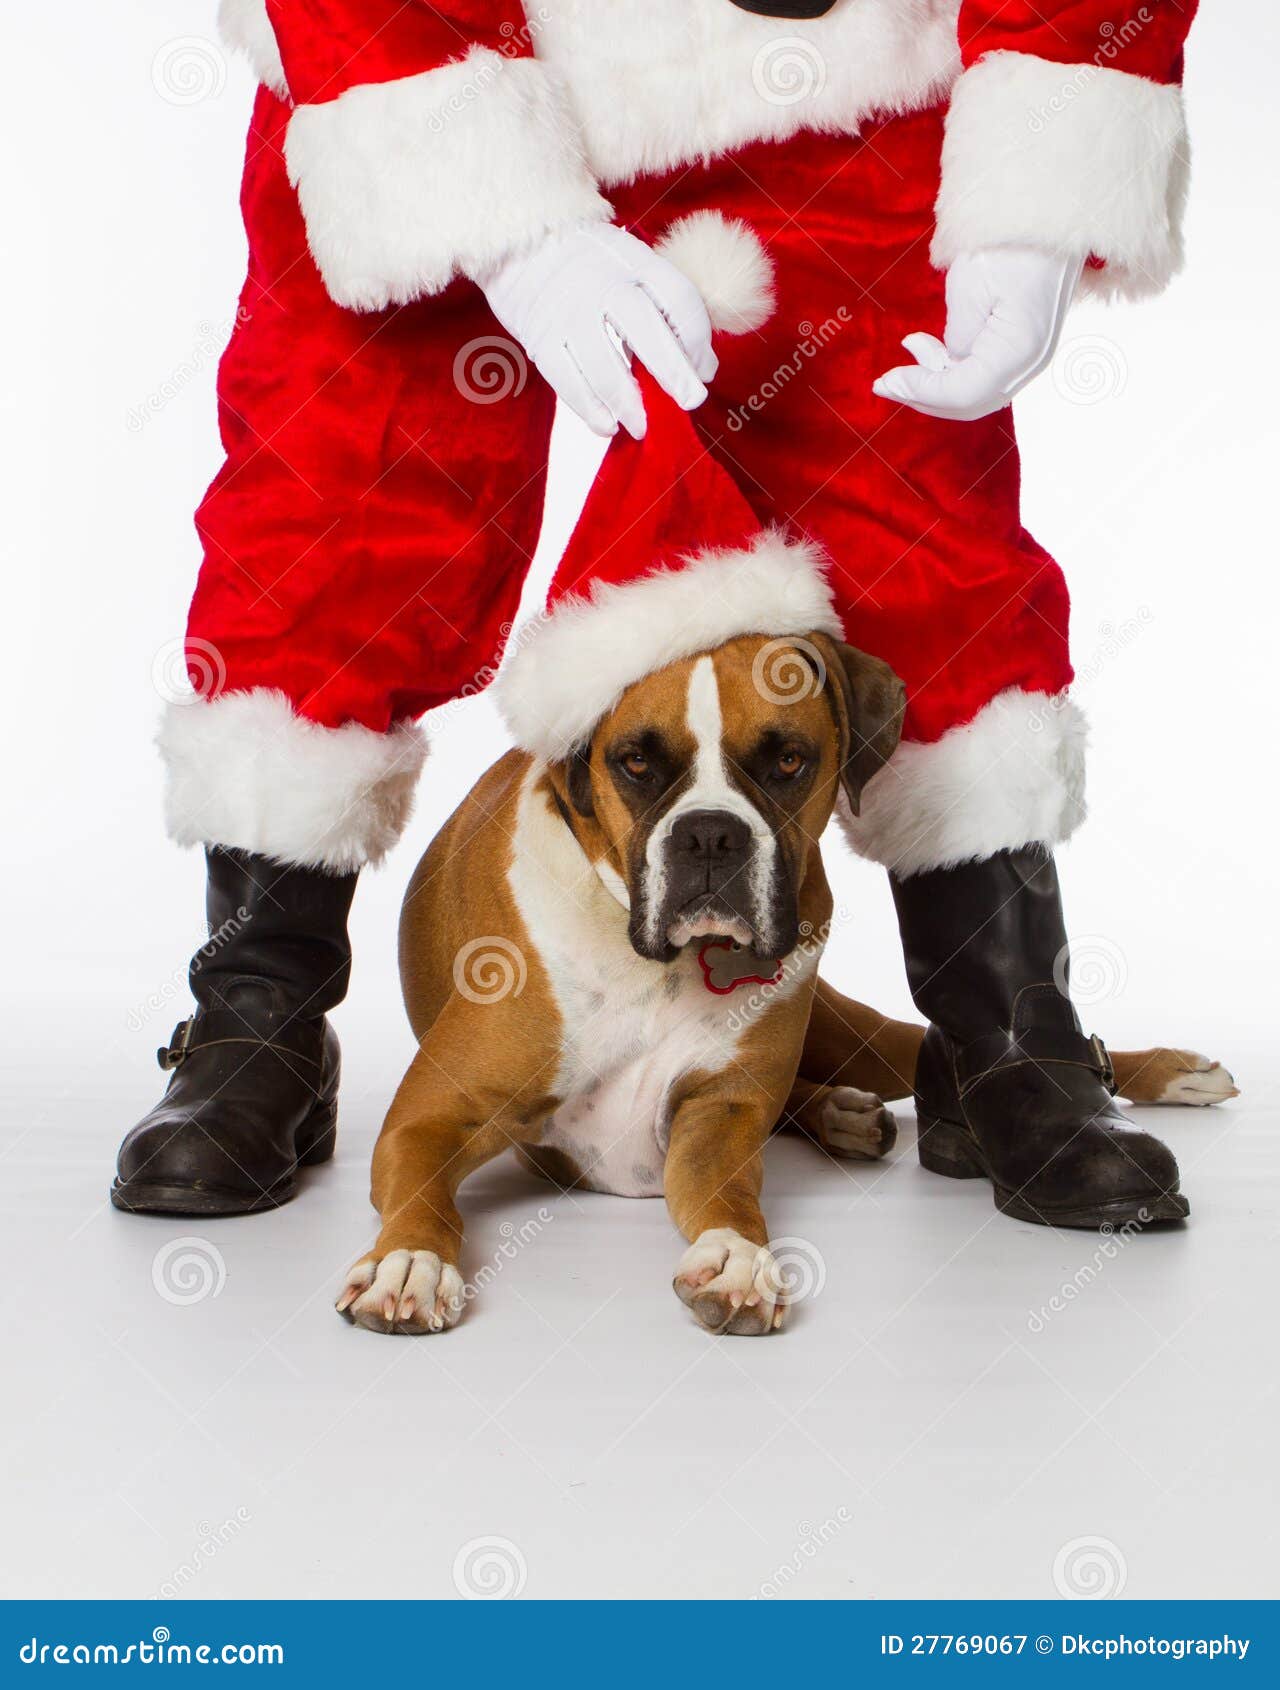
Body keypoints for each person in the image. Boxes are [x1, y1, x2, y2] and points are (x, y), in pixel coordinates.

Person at [114, 0, 1197, 1227]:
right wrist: (499, 214)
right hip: (424, 64)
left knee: (918, 528)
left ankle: (1002, 1033)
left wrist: (1040, 164)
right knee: (331, 510)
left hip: (836, 65)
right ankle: (258, 1018)